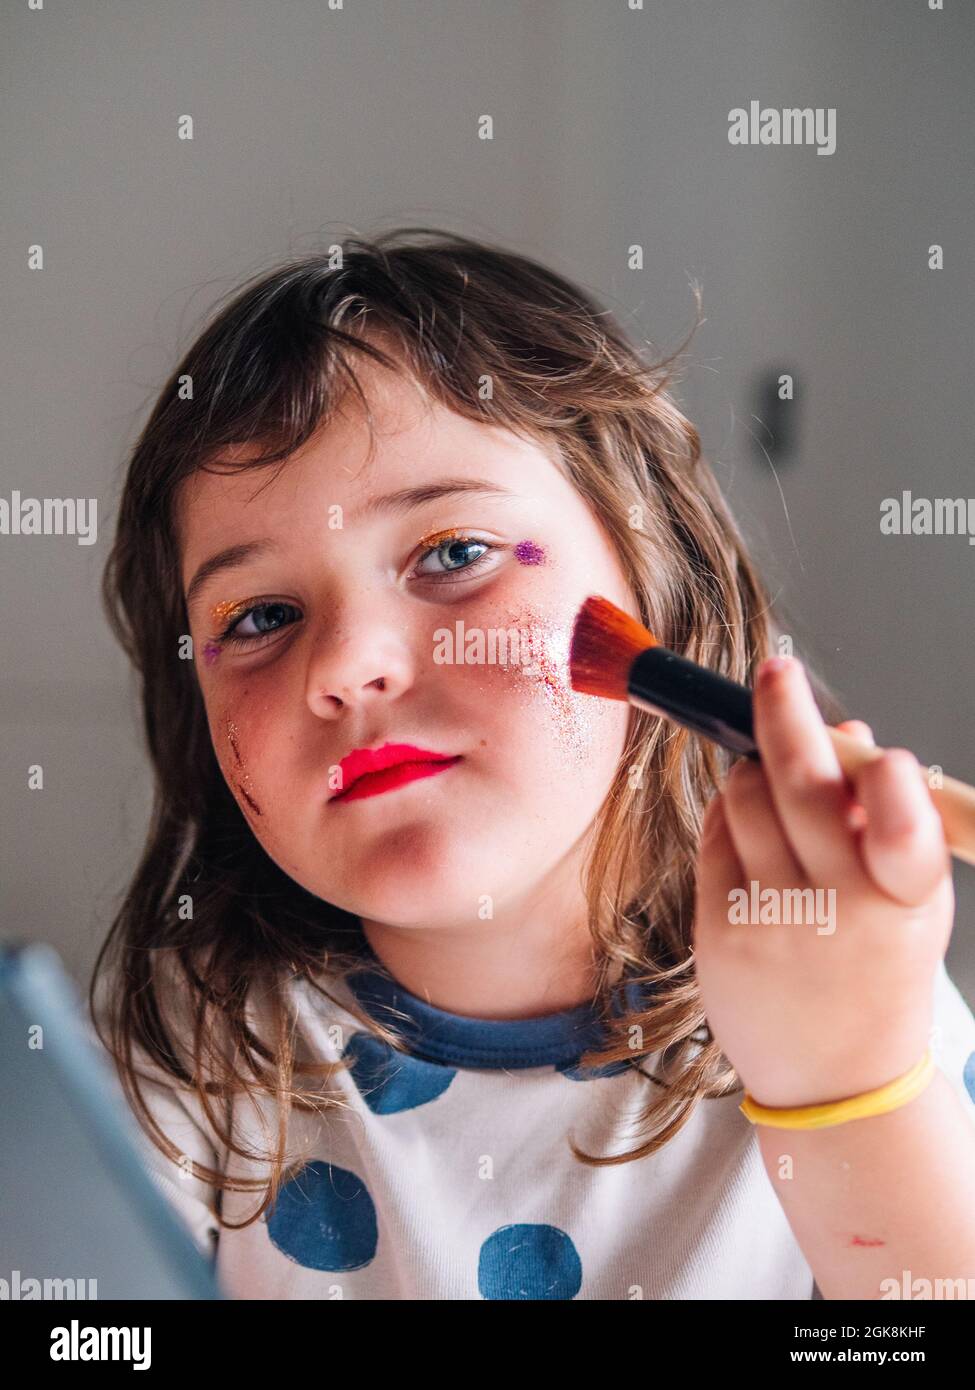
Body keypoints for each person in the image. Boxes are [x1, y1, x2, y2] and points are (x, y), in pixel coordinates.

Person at [89, 228, 975, 1300]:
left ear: (661, 582)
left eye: (453, 553)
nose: (346, 663)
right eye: (263, 615)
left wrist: (849, 1084)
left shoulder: (850, 999)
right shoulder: (195, 1041)